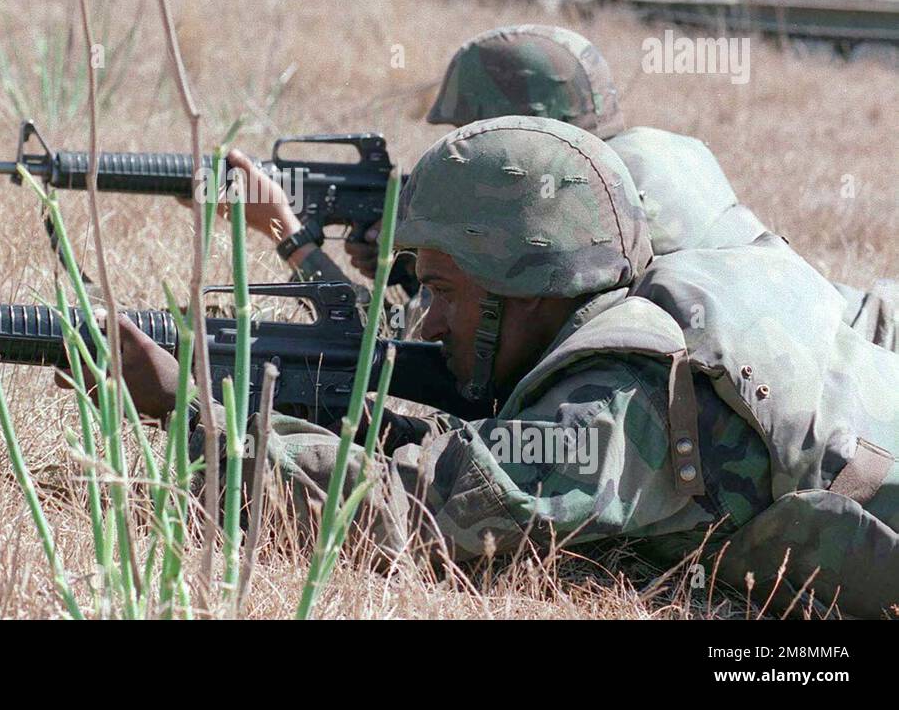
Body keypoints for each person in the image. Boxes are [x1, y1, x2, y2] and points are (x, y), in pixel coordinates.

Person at [108, 116, 899, 617]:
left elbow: (406, 513)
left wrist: (188, 411)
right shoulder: (691, 286)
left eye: (447, 291)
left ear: (527, 285)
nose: (431, 320)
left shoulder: (618, 403)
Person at [219, 24, 895, 350]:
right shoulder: (652, 158)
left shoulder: (588, 219)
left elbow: (402, 351)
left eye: (476, 136)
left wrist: (293, 239)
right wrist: (415, 269)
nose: (463, 156)